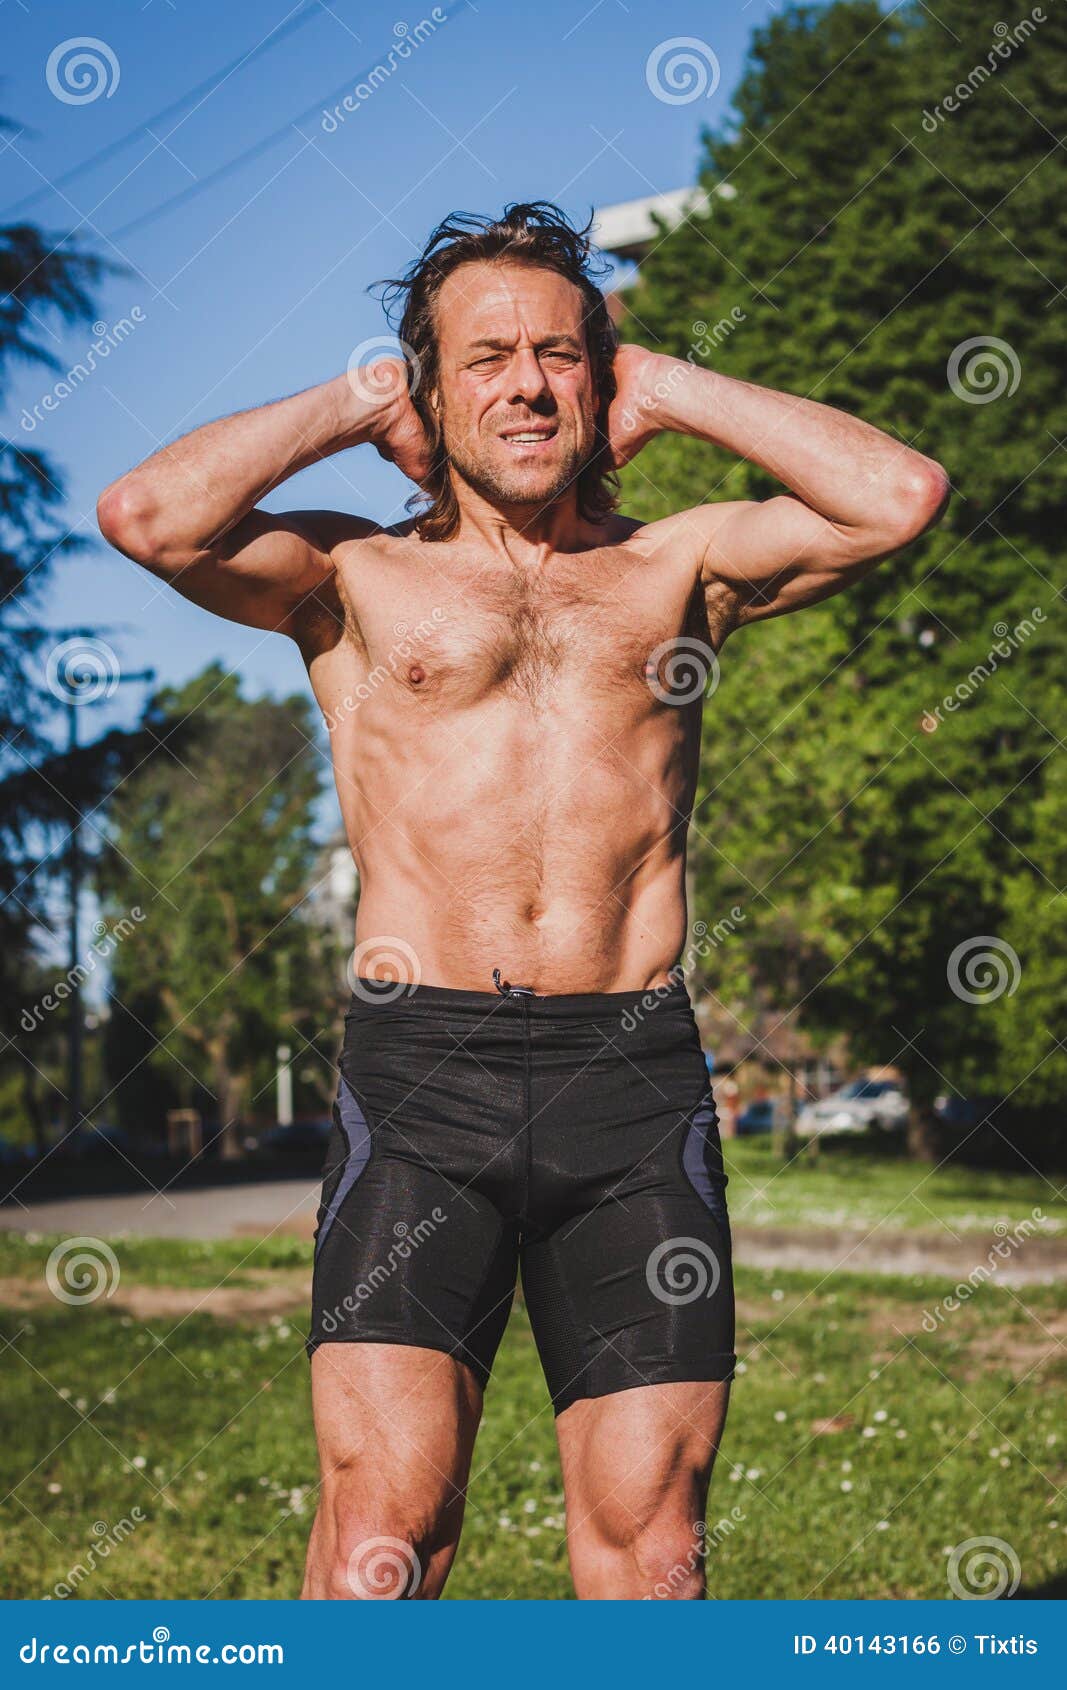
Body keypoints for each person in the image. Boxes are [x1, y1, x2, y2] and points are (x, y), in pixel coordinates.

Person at [97, 202, 948, 1599]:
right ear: (432, 387)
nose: (530, 383)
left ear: (599, 379)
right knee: (387, 1532)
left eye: (561, 353)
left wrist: (667, 385)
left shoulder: (677, 570)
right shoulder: (353, 576)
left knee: (656, 1552)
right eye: (484, 356)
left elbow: (897, 494)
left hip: (632, 1083)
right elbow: (147, 514)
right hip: (424, 1076)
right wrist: (360, 399)